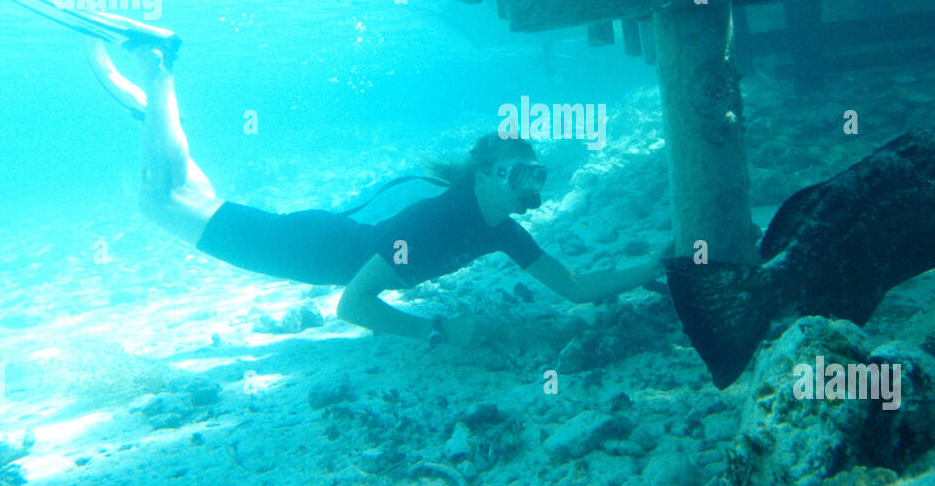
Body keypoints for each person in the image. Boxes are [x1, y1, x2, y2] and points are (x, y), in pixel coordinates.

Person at [130, 46, 663, 345]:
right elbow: (352, 304)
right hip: (305, 247)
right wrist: (437, 330)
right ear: (483, 176)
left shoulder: (501, 230)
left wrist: (655, 266)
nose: (529, 187)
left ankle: (160, 111)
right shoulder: (435, 222)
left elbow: (573, 287)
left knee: (193, 198)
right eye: (518, 174)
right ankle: (159, 69)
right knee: (160, 203)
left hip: (328, 241)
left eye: (536, 175)